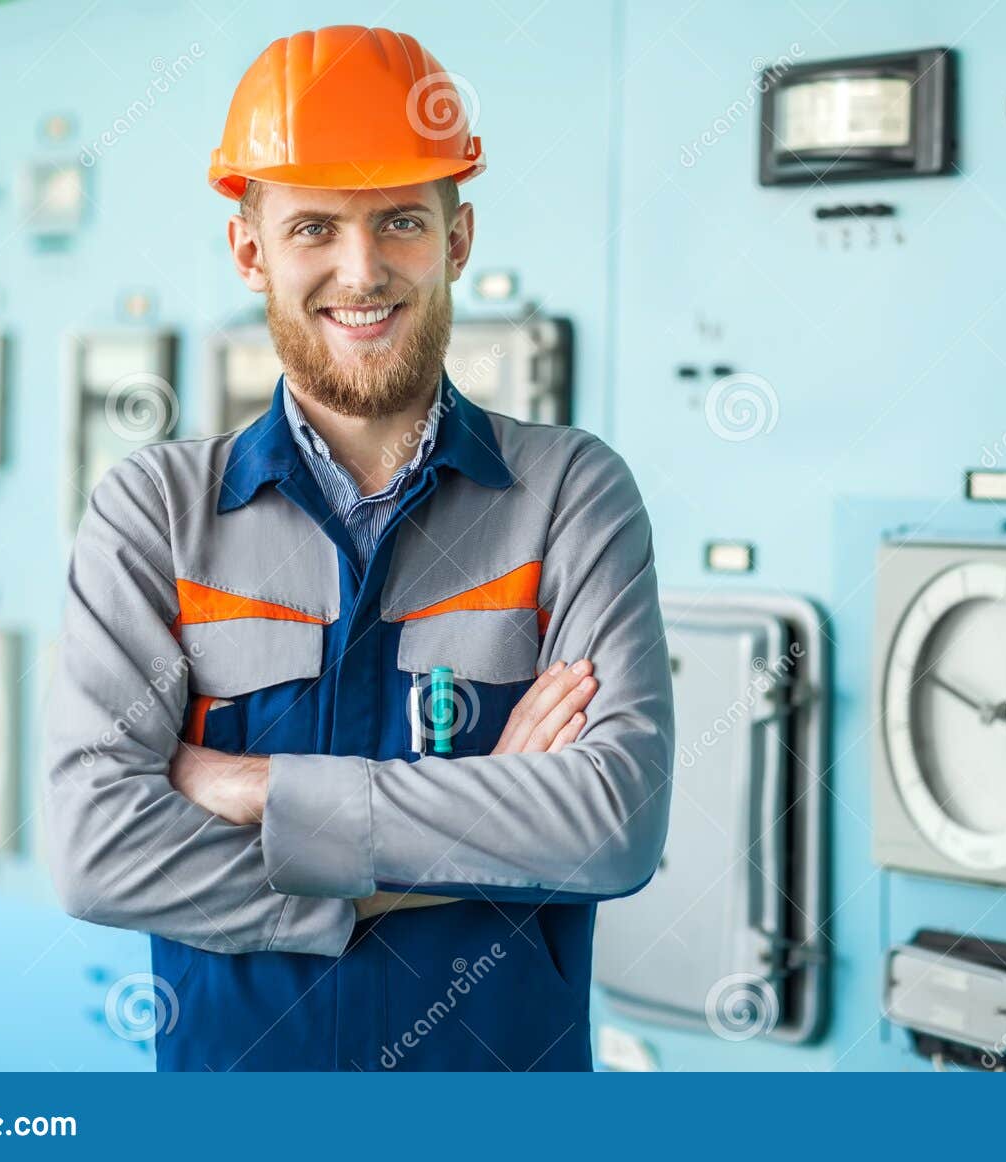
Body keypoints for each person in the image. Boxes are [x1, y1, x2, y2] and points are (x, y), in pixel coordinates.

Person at [42, 24, 674, 1072]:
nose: (361, 270)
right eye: (312, 230)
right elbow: (97, 852)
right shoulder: (153, 515)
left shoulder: (570, 496)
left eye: (399, 222)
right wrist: (461, 842)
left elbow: (612, 824)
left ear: (457, 239)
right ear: (251, 252)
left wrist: (259, 790)